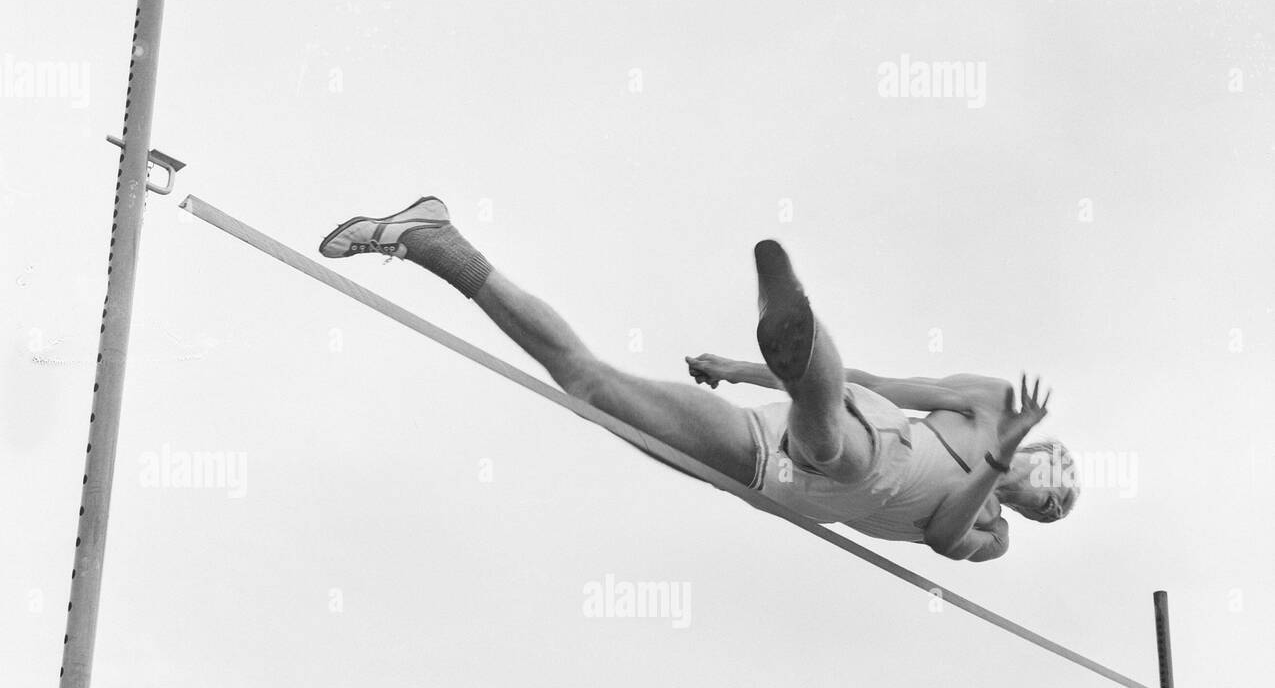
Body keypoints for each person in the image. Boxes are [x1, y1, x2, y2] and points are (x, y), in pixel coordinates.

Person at [319, 201, 1074, 564]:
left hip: (766, 475)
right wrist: (743, 369)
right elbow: (885, 382)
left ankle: (432, 241)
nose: (1030, 498)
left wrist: (996, 463)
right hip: (867, 442)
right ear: (1050, 455)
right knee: (834, 445)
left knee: (592, 390)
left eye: (1039, 505)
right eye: (1044, 482)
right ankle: (794, 346)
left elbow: (944, 537)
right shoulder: (989, 403)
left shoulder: (991, 536)